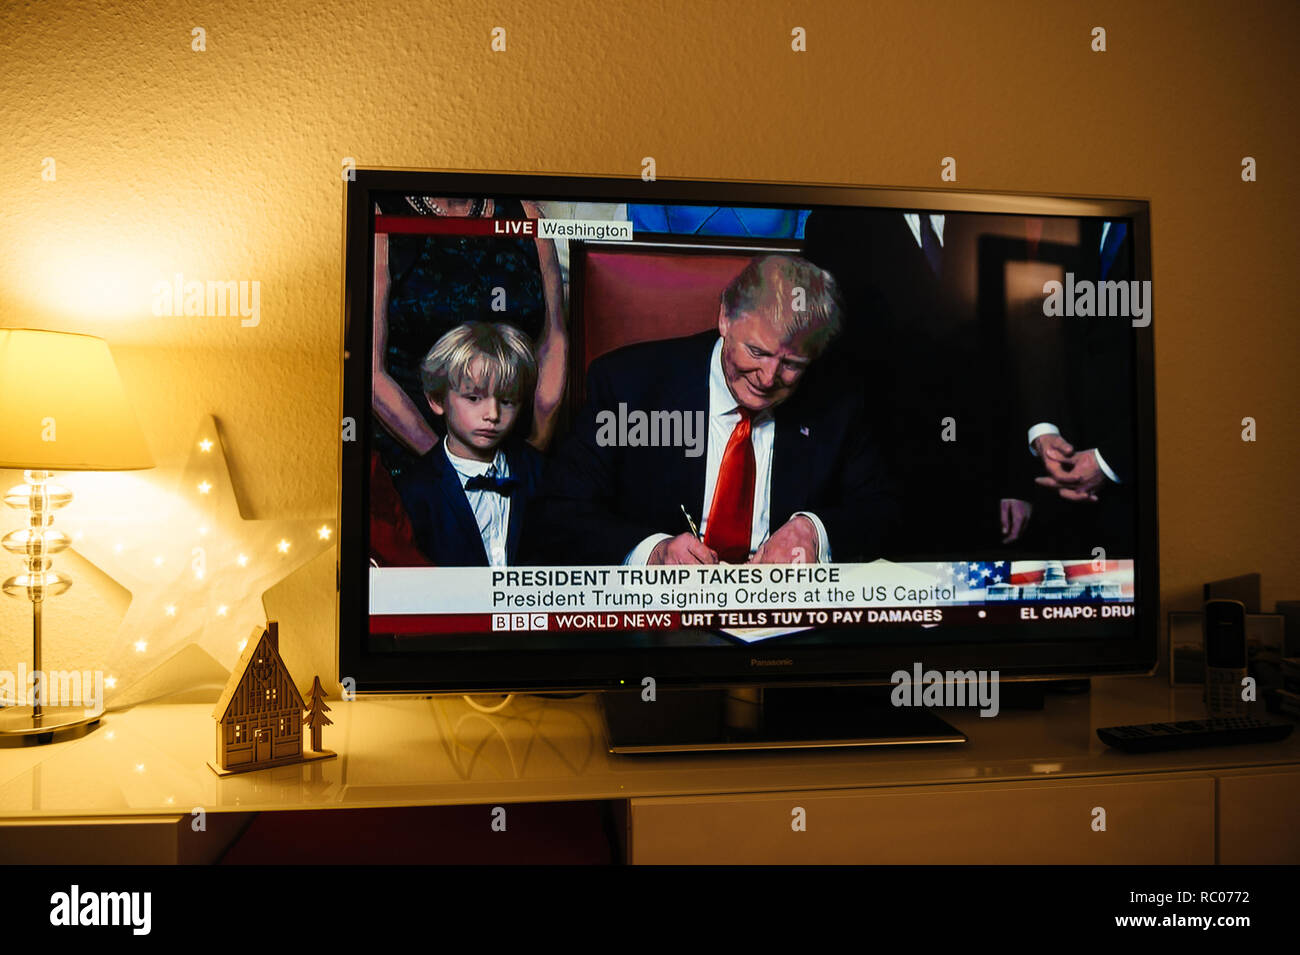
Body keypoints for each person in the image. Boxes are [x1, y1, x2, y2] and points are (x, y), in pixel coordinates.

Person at [526, 254, 898, 566]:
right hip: (661, 625)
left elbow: (884, 514)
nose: (769, 378)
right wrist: (653, 553)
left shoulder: (837, 403)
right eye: (757, 352)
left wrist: (814, 531)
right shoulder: (630, 387)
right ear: (725, 318)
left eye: (793, 364)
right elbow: (558, 515)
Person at [392, 322, 545, 567]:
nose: (493, 414)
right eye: (474, 398)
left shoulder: (541, 472)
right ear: (437, 400)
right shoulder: (413, 489)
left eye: (507, 401)